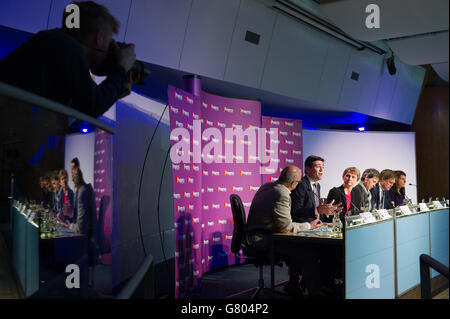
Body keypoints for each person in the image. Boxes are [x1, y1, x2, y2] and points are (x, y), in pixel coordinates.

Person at [0, 1, 136, 118]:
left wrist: (115, 91)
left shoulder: (55, 41)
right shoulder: (68, 47)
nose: (110, 49)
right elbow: (92, 106)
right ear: (99, 38)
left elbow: (75, 111)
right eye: (109, 42)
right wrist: (122, 67)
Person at [246, 165, 323, 298]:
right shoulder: (282, 194)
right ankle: (314, 293)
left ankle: (293, 285)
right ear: (293, 183)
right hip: (263, 241)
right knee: (310, 252)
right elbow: (286, 228)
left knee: (301, 246)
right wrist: (309, 226)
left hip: (257, 235)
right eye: (298, 182)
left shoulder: (267, 186)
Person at [290, 155, 343, 223]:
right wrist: (317, 210)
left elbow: (316, 211)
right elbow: (296, 211)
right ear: (307, 169)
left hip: (316, 226)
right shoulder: (301, 185)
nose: (321, 170)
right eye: (318, 167)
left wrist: (327, 211)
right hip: (303, 227)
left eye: (323, 167)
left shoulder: (317, 185)